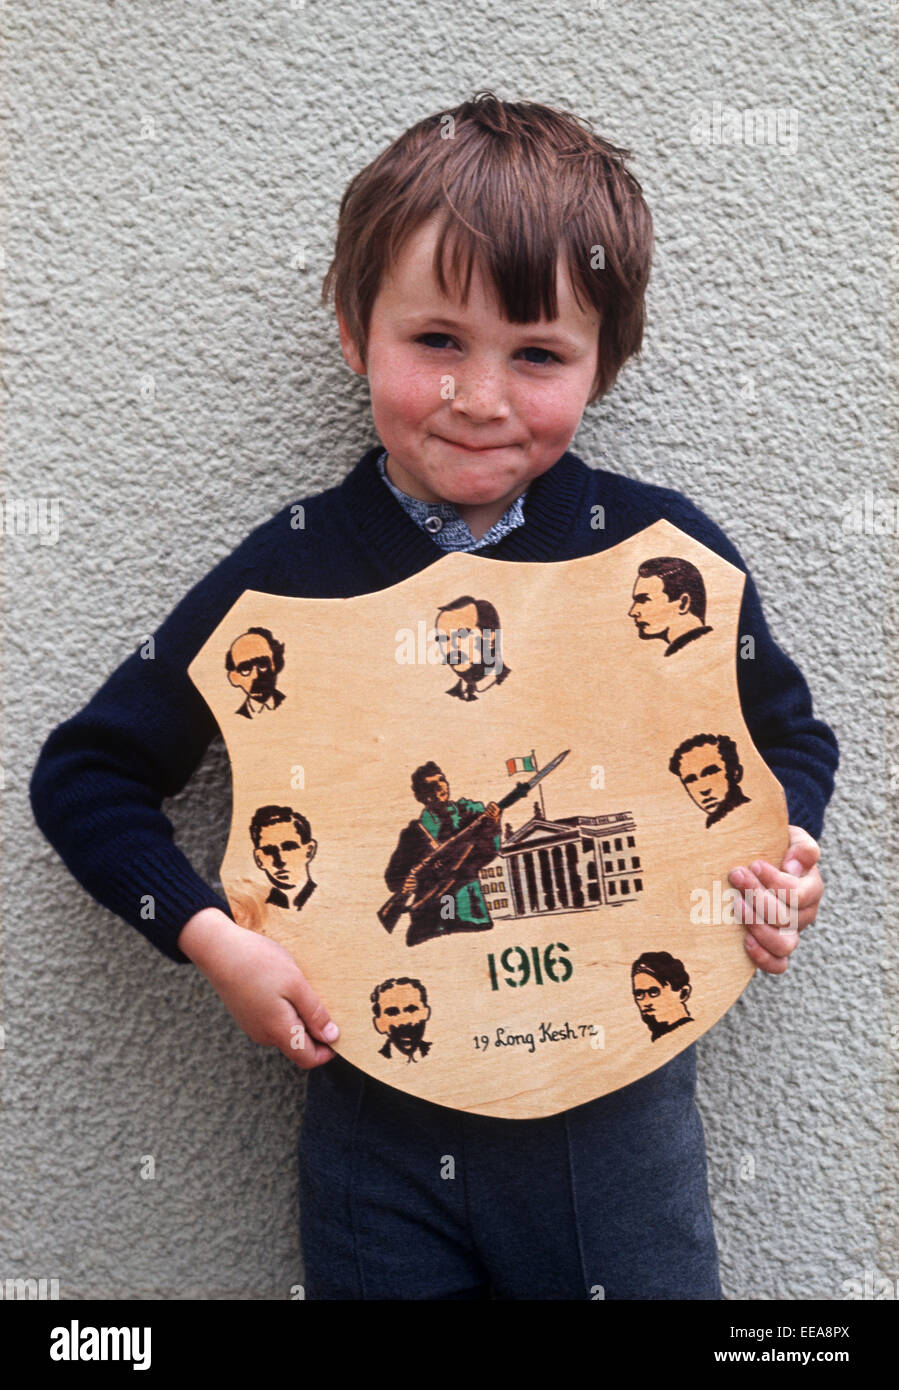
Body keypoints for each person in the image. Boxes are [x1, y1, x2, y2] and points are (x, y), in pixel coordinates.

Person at [28, 92, 838, 1300]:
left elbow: (785, 734)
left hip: (617, 1114)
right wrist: (210, 939)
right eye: (436, 341)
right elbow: (87, 775)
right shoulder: (288, 572)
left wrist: (781, 859)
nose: (479, 396)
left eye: (537, 354)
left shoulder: (660, 554)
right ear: (354, 329)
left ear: (604, 363)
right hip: (376, 1119)